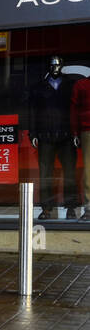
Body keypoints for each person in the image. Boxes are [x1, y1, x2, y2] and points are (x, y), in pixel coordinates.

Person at [25, 56, 81, 219]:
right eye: (52, 65)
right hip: (45, 135)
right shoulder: (39, 88)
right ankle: (46, 208)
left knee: (70, 174)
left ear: (62, 67)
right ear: (48, 67)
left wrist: (75, 133)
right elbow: (32, 112)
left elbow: (76, 110)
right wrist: (33, 133)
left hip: (67, 135)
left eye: (58, 66)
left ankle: (71, 207)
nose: (55, 68)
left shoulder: (70, 85)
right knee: (45, 174)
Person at [74, 73, 90, 220]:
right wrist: (75, 132)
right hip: (88, 130)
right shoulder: (82, 85)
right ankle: (89, 207)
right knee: (89, 170)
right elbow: (75, 109)